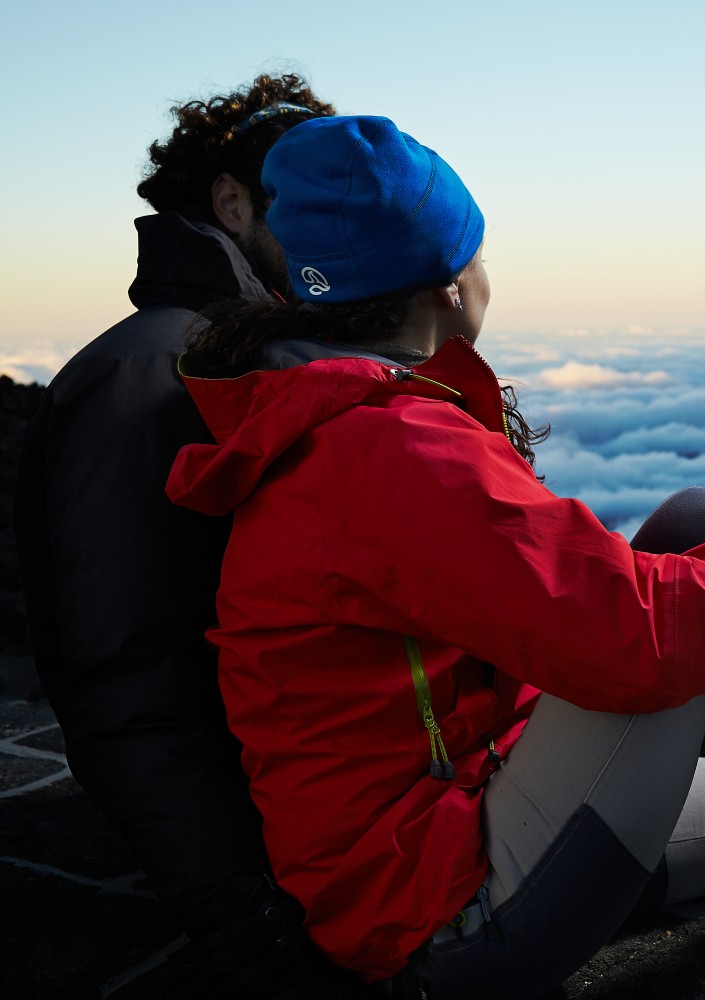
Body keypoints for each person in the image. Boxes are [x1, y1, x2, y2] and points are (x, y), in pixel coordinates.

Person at [165, 115, 705, 997]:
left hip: (451, 822)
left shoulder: (330, 421)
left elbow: (554, 607)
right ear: (451, 283)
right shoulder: (392, 449)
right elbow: (633, 638)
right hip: (434, 914)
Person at [13, 74, 362, 996]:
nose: (334, 226)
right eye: (307, 200)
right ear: (233, 203)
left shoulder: (252, 351)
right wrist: (235, 908)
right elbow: (127, 665)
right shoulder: (148, 371)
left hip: (322, 796)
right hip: (270, 839)